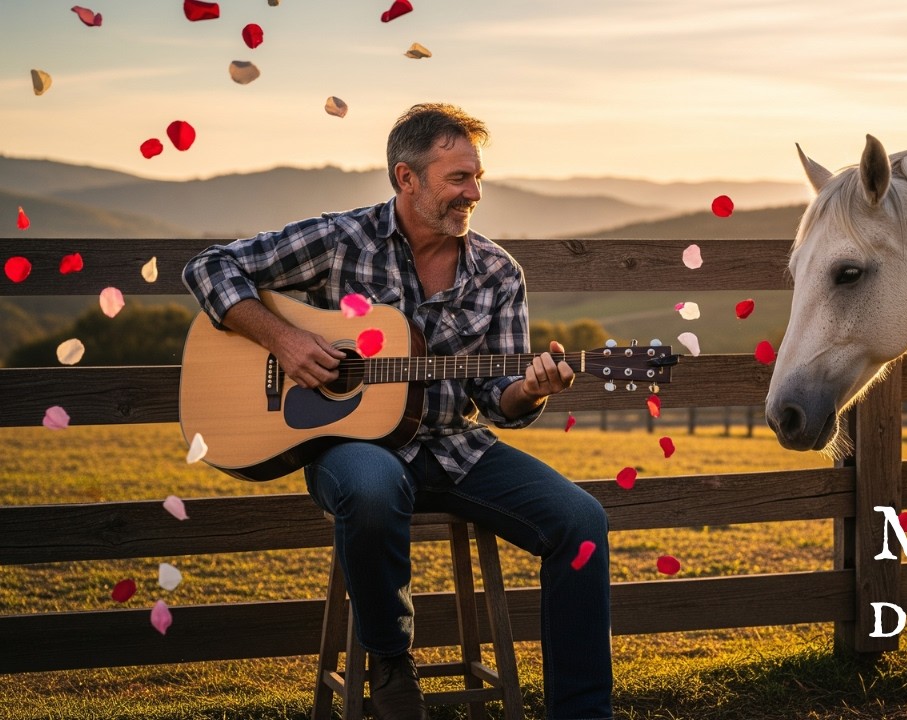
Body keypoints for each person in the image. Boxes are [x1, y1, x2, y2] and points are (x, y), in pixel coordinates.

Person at [183, 103, 613, 720]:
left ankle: (583, 712)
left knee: (581, 520)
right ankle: (389, 660)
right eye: (458, 178)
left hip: (454, 446)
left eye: (477, 177)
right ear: (406, 178)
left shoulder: (498, 272)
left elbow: (499, 400)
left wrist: (532, 389)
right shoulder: (341, 239)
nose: (474, 193)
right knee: (373, 488)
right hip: (350, 448)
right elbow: (208, 267)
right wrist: (286, 341)